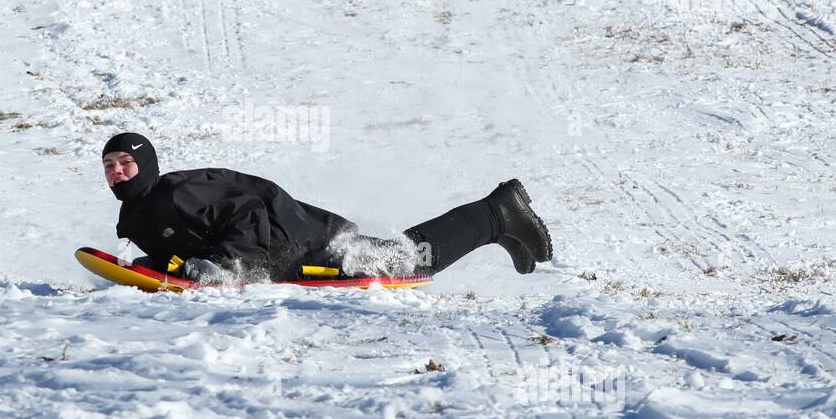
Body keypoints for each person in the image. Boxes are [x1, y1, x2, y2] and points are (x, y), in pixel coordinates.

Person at [99, 132, 553, 285]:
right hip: (294, 246)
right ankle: (502, 225)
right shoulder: (137, 214)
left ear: (148, 165)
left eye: (126, 162)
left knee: (407, 261)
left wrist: (227, 265)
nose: (118, 171)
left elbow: (246, 214)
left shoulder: (175, 193)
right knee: (407, 257)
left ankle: (499, 214)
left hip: (310, 240)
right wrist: (160, 266)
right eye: (110, 165)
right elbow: (184, 246)